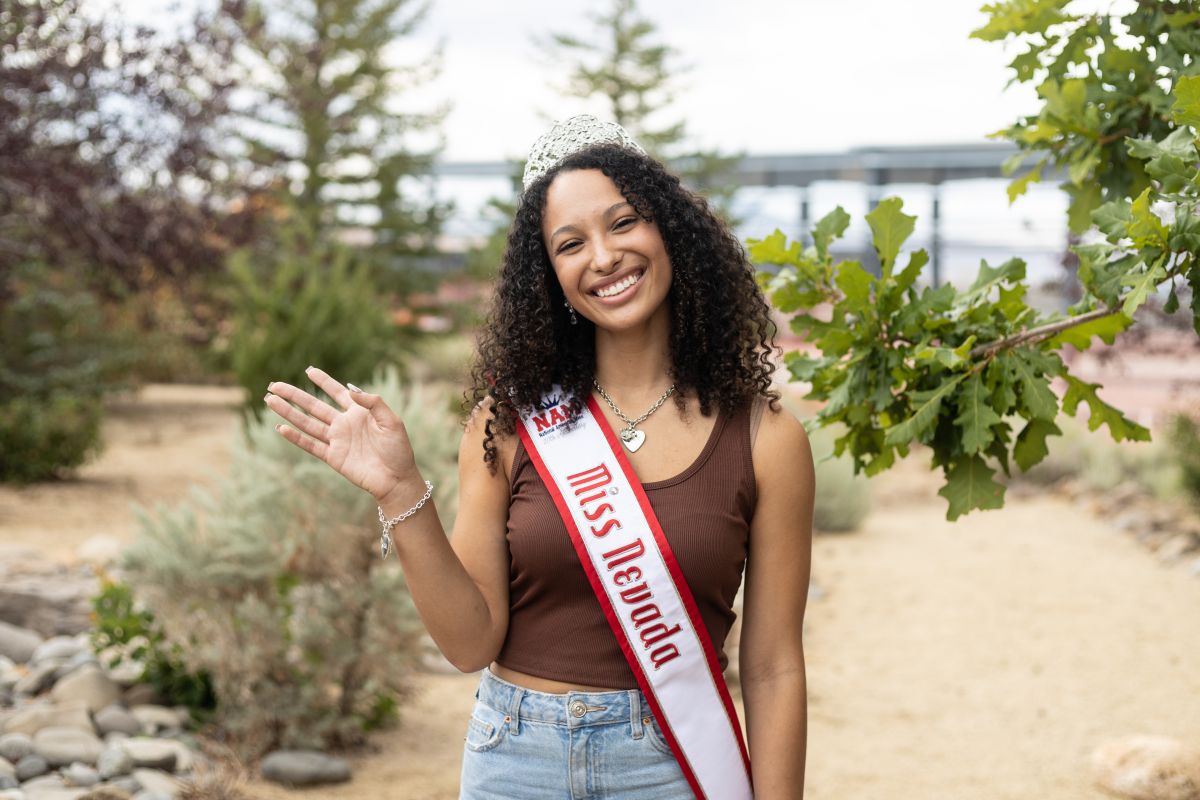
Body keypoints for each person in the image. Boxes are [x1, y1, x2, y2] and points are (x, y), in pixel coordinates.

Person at [263, 115, 814, 799]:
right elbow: (470, 644)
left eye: (623, 223)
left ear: (671, 229)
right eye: (570, 244)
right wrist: (399, 489)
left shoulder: (766, 437)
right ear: (550, 276)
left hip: (672, 767)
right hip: (515, 760)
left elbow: (772, 669)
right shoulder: (511, 424)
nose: (604, 256)